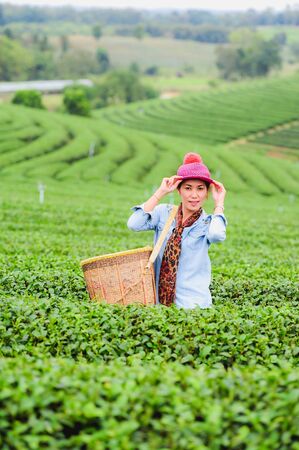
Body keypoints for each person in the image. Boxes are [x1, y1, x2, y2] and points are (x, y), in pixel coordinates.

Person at [127, 152, 227, 309]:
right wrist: (160, 192)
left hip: (193, 305)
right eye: (188, 188)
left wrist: (219, 203)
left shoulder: (207, 222)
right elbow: (134, 224)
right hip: (160, 304)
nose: (194, 195)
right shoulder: (164, 213)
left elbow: (216, 235)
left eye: (200, 189)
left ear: (206, 193)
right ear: (179, 190)